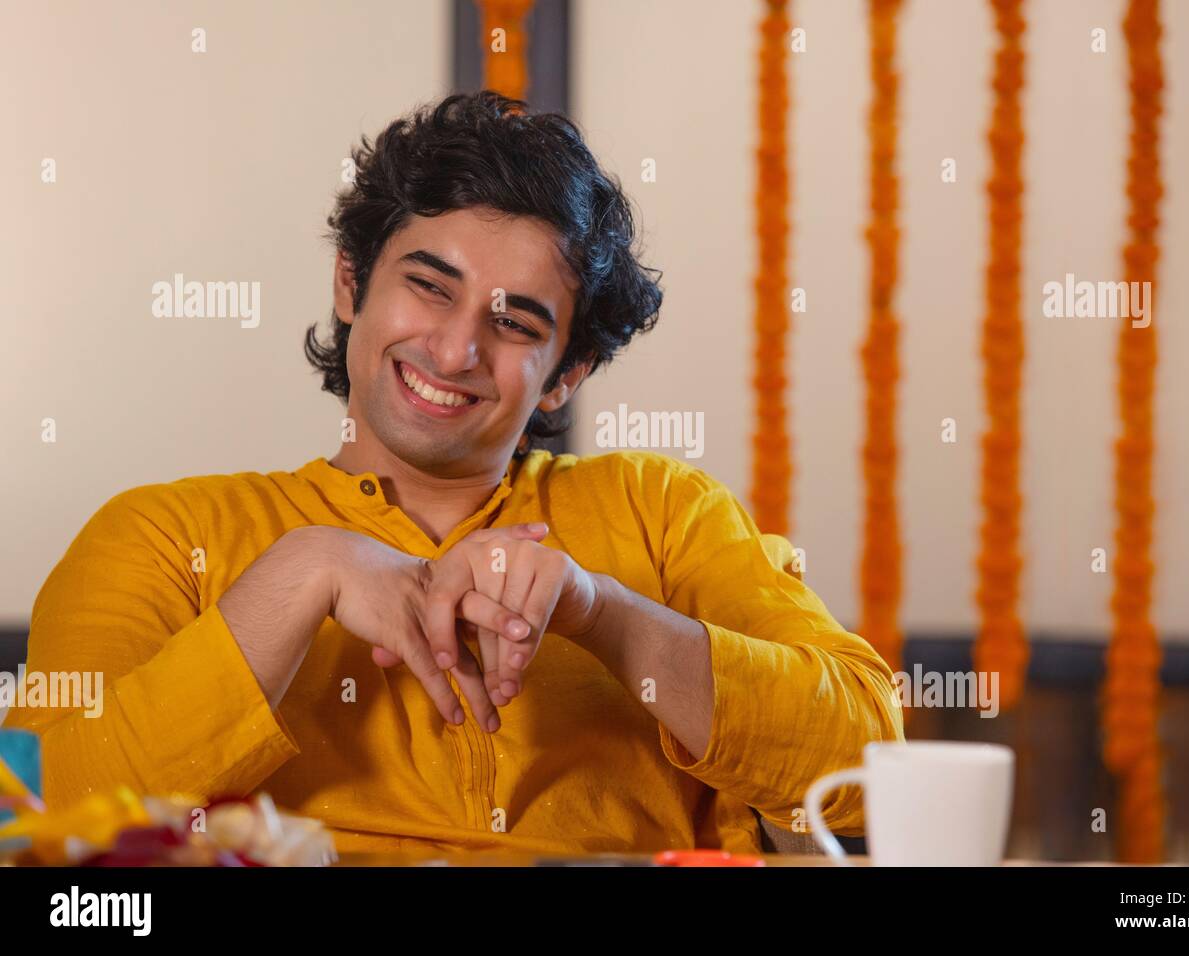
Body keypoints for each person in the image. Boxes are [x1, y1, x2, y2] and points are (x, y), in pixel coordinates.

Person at [10, 90, 903, 856]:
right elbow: (39, 821)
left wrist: (600, 614)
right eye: (430, 286)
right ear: (350, 284)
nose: (455, 346)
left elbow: (870, 772)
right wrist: (305, 572)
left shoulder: (662, 514)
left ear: (566, 372)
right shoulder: (166, 537)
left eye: (515, 324)